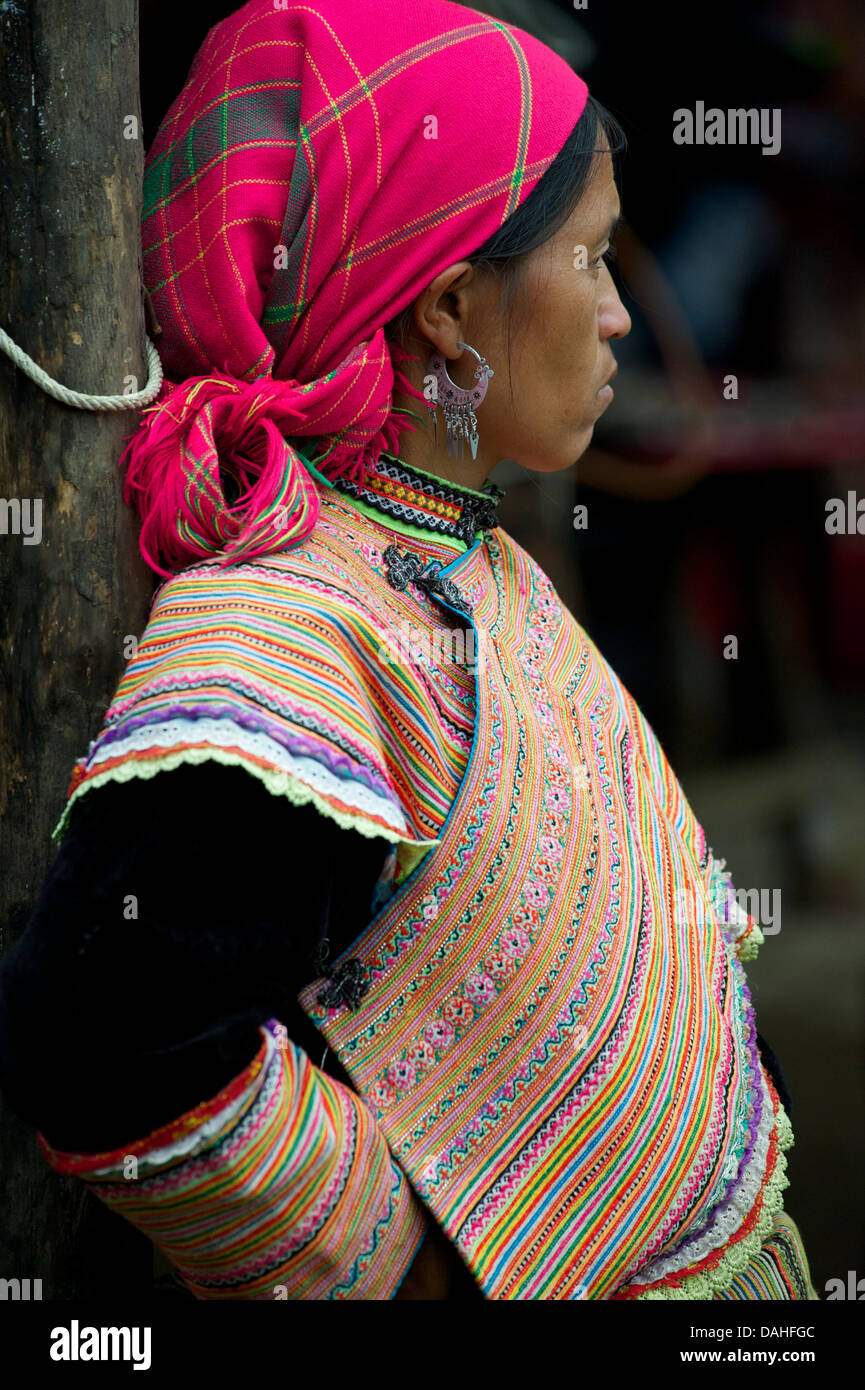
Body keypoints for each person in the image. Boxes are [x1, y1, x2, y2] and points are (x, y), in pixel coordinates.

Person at [0, 0, 817, 1301]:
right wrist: (413, 1269)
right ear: (446, 307)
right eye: (593, 260)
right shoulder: (285, 632)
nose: (616, 317)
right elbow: (110, 1048)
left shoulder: (455, 555)